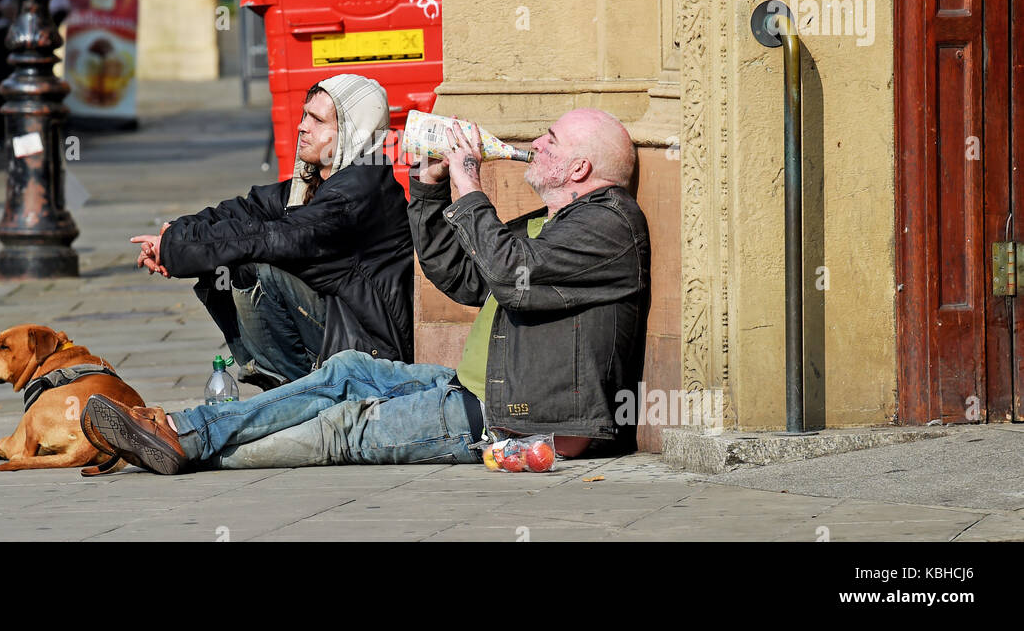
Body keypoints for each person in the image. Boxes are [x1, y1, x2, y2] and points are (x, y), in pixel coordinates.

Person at [83, 108, 651, 475]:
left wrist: (471, 186)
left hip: (510, 417)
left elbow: (508, 275)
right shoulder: (553, 221)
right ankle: (183, 433)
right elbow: (466, 279)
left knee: (344, 426)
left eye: (550, 140)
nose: (537, 143)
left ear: (579, 167)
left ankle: (186, 443)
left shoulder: (609, 226)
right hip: (480, 385)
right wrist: (430, 193)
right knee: (346, 371)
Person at [131, 73, 413, 390]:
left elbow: (272, 238)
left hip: (371, 350)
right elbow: (245, 210)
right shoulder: (316, 181)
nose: (302, 126)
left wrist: (178, 248)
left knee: (254, 268)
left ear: (351, 134)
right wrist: (174, 236)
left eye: (317, 120)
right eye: (306, 114)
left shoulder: (356, 193)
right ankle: (284, 385)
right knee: (227, 256)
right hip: (338, 327)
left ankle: (296, 392)